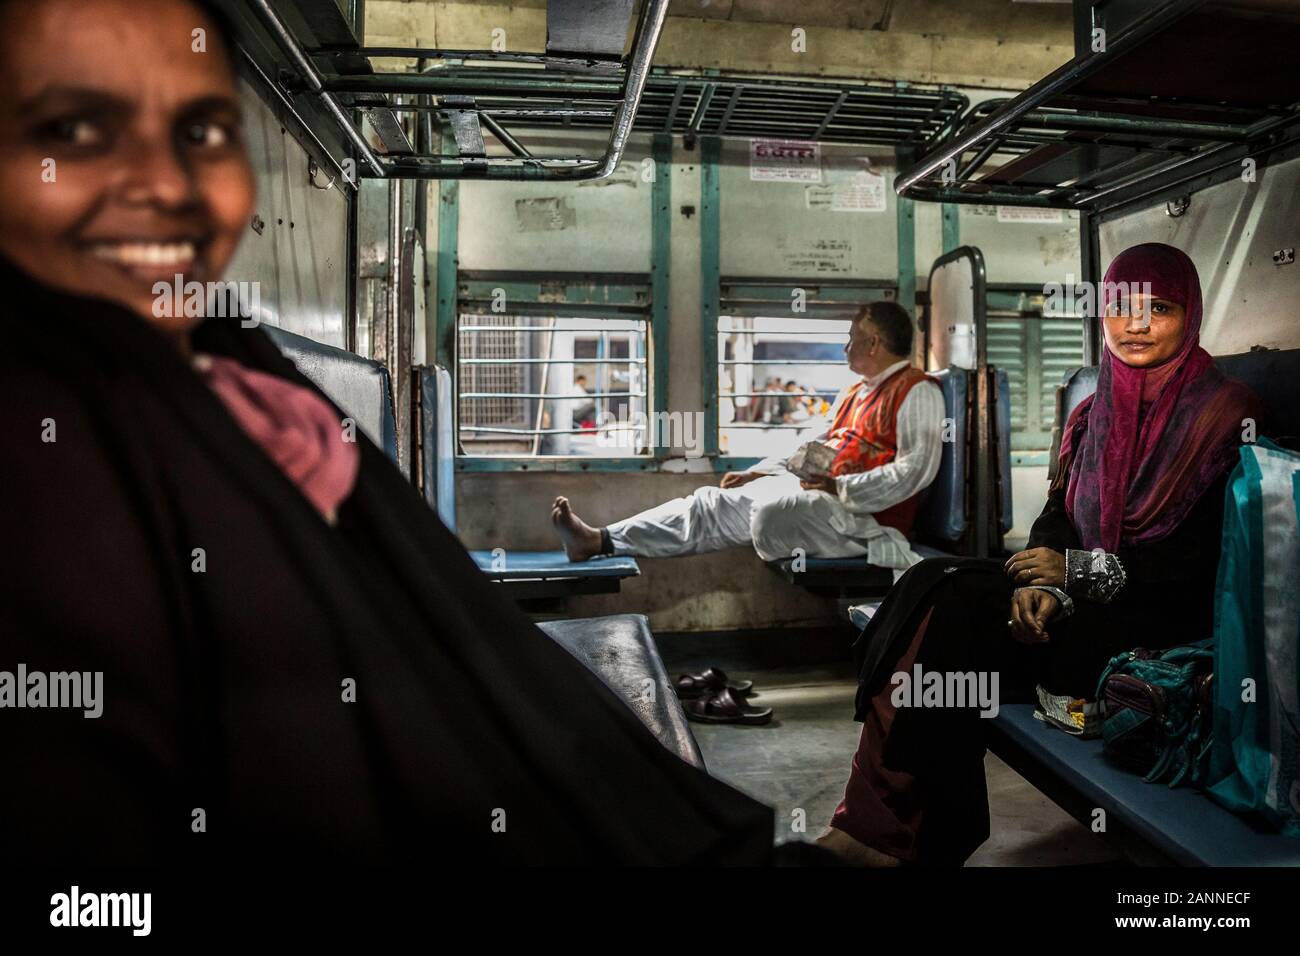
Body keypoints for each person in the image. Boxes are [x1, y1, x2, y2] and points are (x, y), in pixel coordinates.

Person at [0, 0, 775, 865]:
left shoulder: (242, 374)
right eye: (76, 127)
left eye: (202, 130)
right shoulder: (70, 438)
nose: (165, 183)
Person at [815, 243, 1262, 866]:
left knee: (954, 609)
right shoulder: (1091, 413)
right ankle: (889, 825)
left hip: (1160, 629)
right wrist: (1044, 582)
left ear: (1190, 317)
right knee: (939, 592)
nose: (1136, 325)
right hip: (1076, 611)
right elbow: (1058, 513)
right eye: (1121, 307)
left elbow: (1208, 565)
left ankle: (894, 831)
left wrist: (1074, 572)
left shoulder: (1224, 413)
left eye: (1158, 308)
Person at [551, 301, 946, 565]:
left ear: (873, 343)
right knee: (713, 502)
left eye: (851, 339)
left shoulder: (918, 390)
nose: (846, 349)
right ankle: (599, 540)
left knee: (771, 516)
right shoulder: (854, 394)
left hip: (865, 519)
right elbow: (811, 450)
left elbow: (914, 472)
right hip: (824, 501)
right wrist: (762, 471)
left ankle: (602, 540)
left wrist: (841, 489)